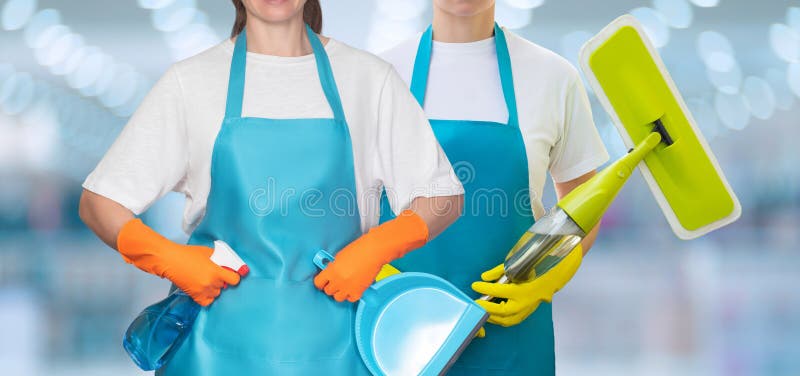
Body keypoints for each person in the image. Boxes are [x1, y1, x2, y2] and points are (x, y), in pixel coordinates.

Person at [78, 0, 464, 374]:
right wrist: (167, 257)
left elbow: (443, 196)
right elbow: (99, 203)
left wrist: (379, 245)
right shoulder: (190, 83)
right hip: (214, 348)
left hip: (339, 348)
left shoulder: (368, 79)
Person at [378, 0, 610, 374]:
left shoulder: (553, 78)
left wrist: (546, 281)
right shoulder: (379, 75)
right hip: (401, 340)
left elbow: (585, 208)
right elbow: (334, 206)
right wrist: (373, 275)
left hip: (512, 340)